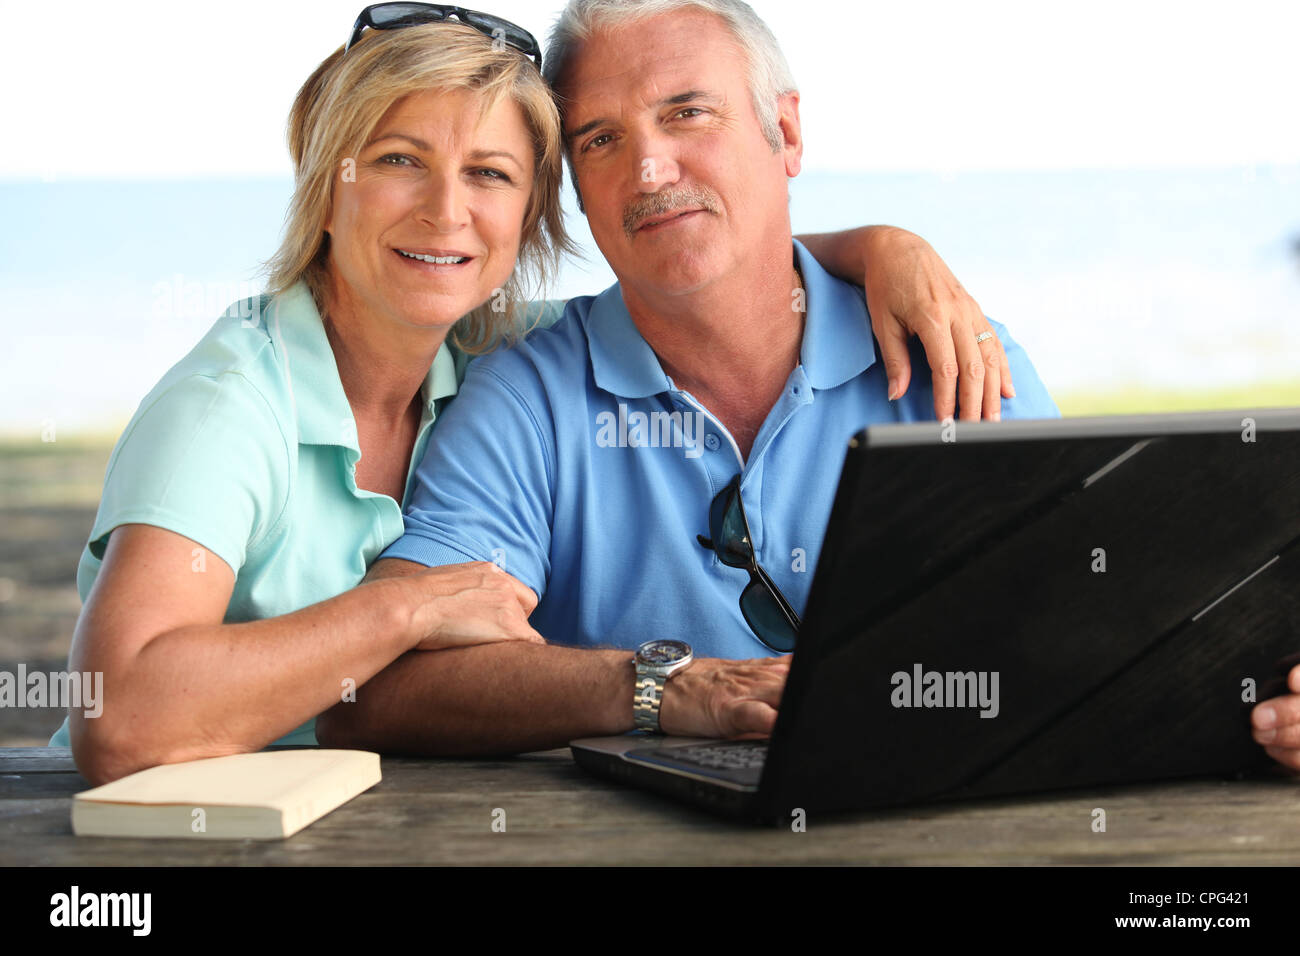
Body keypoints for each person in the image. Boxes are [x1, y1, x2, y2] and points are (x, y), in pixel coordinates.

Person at [55, 5, 1007, 784]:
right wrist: (406, 610)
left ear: (530, 213)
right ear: (326, 176)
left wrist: (882, 247)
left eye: (489, 175)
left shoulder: (472, 341)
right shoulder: (231, 407)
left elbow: (704, 271)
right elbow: (121, 722)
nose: (445, 210)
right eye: (397, 160)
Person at [315, 0, 1062, 757]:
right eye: (601, 140)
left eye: (688, 113)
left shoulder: (956, 357)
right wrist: (662, 688)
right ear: (575, 186)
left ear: (788, 132)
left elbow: (1095, 618)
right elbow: (374, 692)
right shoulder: (526, 396)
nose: (649, 170)